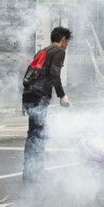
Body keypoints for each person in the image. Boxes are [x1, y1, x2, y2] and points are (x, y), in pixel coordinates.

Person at [22, 26, 72, 183]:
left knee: (33, 134)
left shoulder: (43, 51)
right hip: (39, 96)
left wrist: (24, 101)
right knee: (39, 135)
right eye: (67, 41)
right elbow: (54, 76)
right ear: (63, 39)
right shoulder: (59, 52)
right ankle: (34, 173)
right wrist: (62, 95)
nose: (66, 44)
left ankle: (30, 172)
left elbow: (30, 74)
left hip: (29, 95)